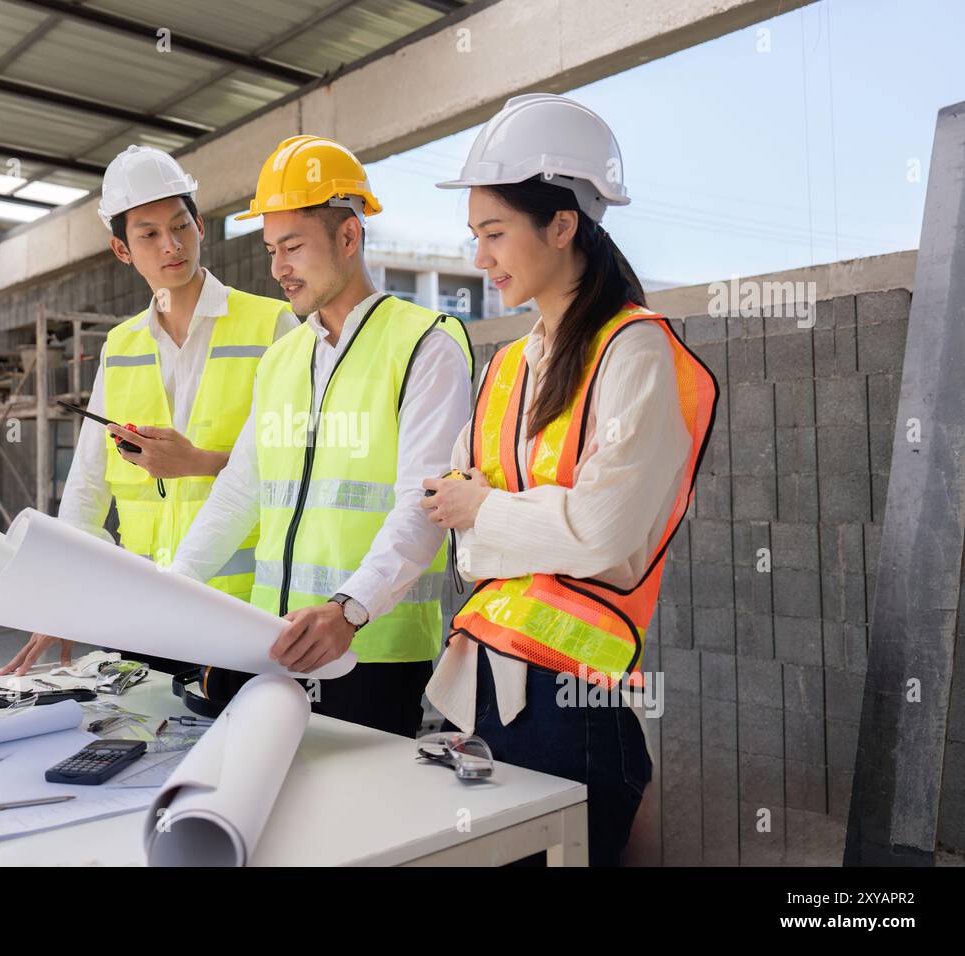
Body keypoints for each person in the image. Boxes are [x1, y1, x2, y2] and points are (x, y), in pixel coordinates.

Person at [422, 94, 719, 865]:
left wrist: (488, 510)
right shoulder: (508, 366)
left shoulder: (634, 351)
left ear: (562, 225)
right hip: (486, 682)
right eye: (475, 235)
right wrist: (508, 522)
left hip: (572, 707)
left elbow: (604, 534)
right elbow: (459, 533)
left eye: (494, 234)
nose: (479, 257)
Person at [167, 135, 474, 736]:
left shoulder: (425, 345)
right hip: (269, 644)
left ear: (349, 238)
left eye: (293, 247)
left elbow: (423, 504)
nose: (278, 267)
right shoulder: (281, 359)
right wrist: (170, 590)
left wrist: (348, 610)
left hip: (371, 650)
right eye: (270, 249)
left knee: (361, 824)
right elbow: (238, 493)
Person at [0, 145, 297, 677]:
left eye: (180, 226)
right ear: (121, 249)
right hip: (142, 609)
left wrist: (200, 461)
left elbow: (301, 463)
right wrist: (63, 593)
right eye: (149, 234)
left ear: (201, 225)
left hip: (241, 609)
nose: (172, 245)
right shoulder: (120, 345)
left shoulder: (273, 326)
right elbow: (88, 484)